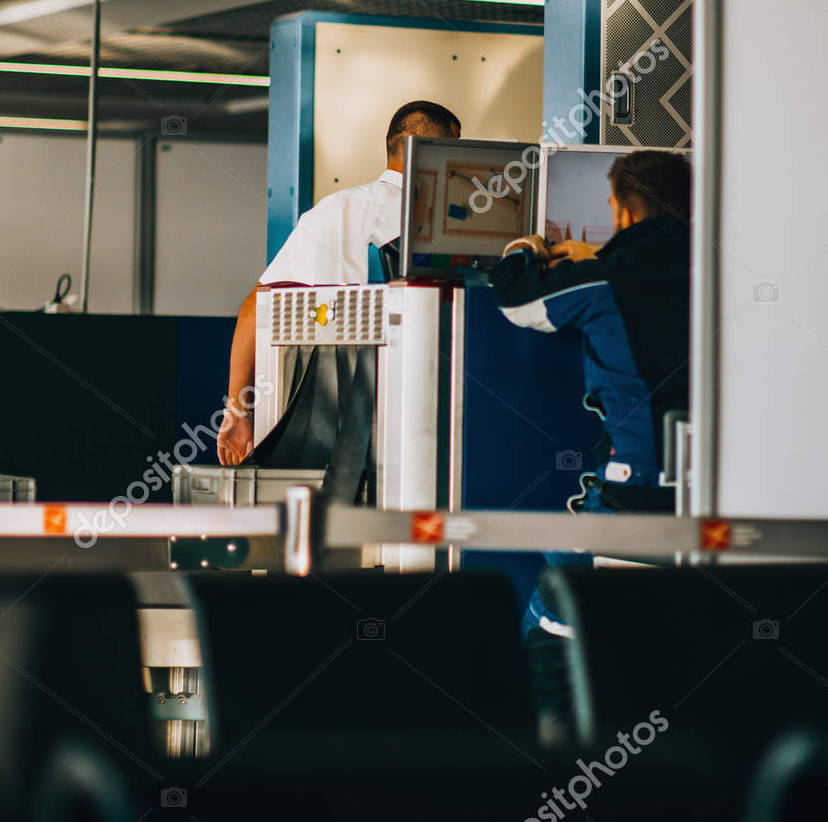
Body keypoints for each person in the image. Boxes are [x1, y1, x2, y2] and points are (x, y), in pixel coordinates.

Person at [488, 150, 691, 730]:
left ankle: (547, 767)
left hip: (639, 499)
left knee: (550, 627)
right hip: (718, 497)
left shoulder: (610, 276)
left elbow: (518, 300)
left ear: (623, 213)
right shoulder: (719, 267)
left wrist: (525, 248)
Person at [217, 99, 461, 466]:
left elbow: (255, 306)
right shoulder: (444, 219)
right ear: (435, 154)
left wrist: (237, 411)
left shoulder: (332, 209)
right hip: (411, 418)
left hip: (315, 426)